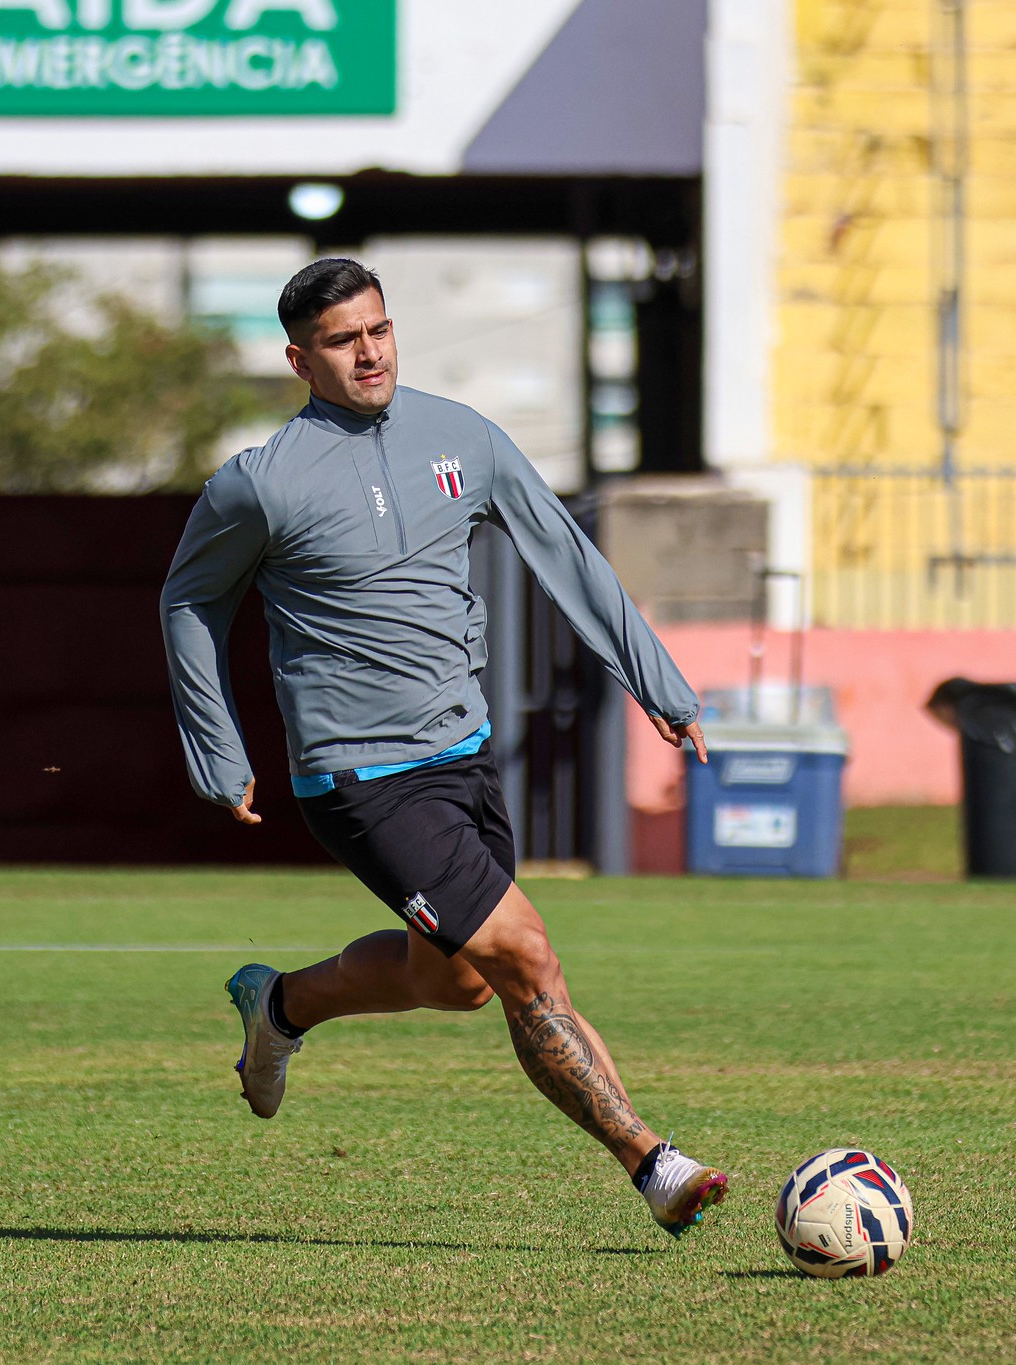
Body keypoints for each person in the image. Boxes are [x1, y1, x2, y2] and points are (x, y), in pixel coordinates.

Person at [160, 258, 726, 1238]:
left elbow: (565, 552)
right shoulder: (259, 484)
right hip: (356, 775)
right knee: (522, 955)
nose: (368, 351)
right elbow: (187, 600)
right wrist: (215, 746)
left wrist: (656, 684)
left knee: (456, 981)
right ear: (299, 358)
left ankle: (280, 1006)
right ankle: (652, 1162)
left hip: (461, 755)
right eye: (341, 340)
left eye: (377, 329)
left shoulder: (461, 436)